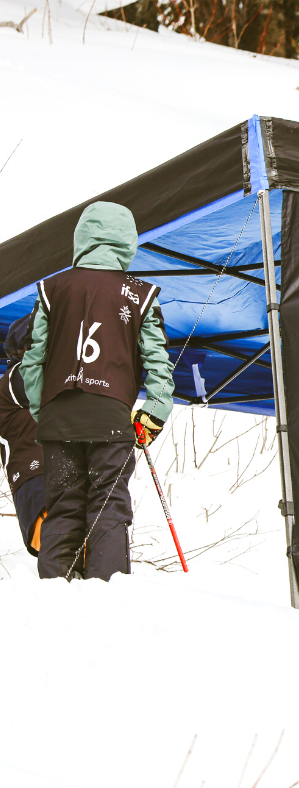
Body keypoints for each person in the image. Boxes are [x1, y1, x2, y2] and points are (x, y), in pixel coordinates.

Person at [21, 201, 174, 580]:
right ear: (128, 241)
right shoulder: (140, 294)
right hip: (110, 417)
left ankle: (54, 594)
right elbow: (159, 363)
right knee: (108, 504)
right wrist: (153, 414)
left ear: (81, 239)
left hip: (59, 418)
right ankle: (107, 595)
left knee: (63, 506)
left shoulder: (51, 289)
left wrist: (44, 411)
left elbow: (32, 361)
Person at [0, 315, 47, 556]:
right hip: (34, 473)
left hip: (58, 470)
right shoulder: (15, 377)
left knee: (86, 549)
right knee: (57, 541)